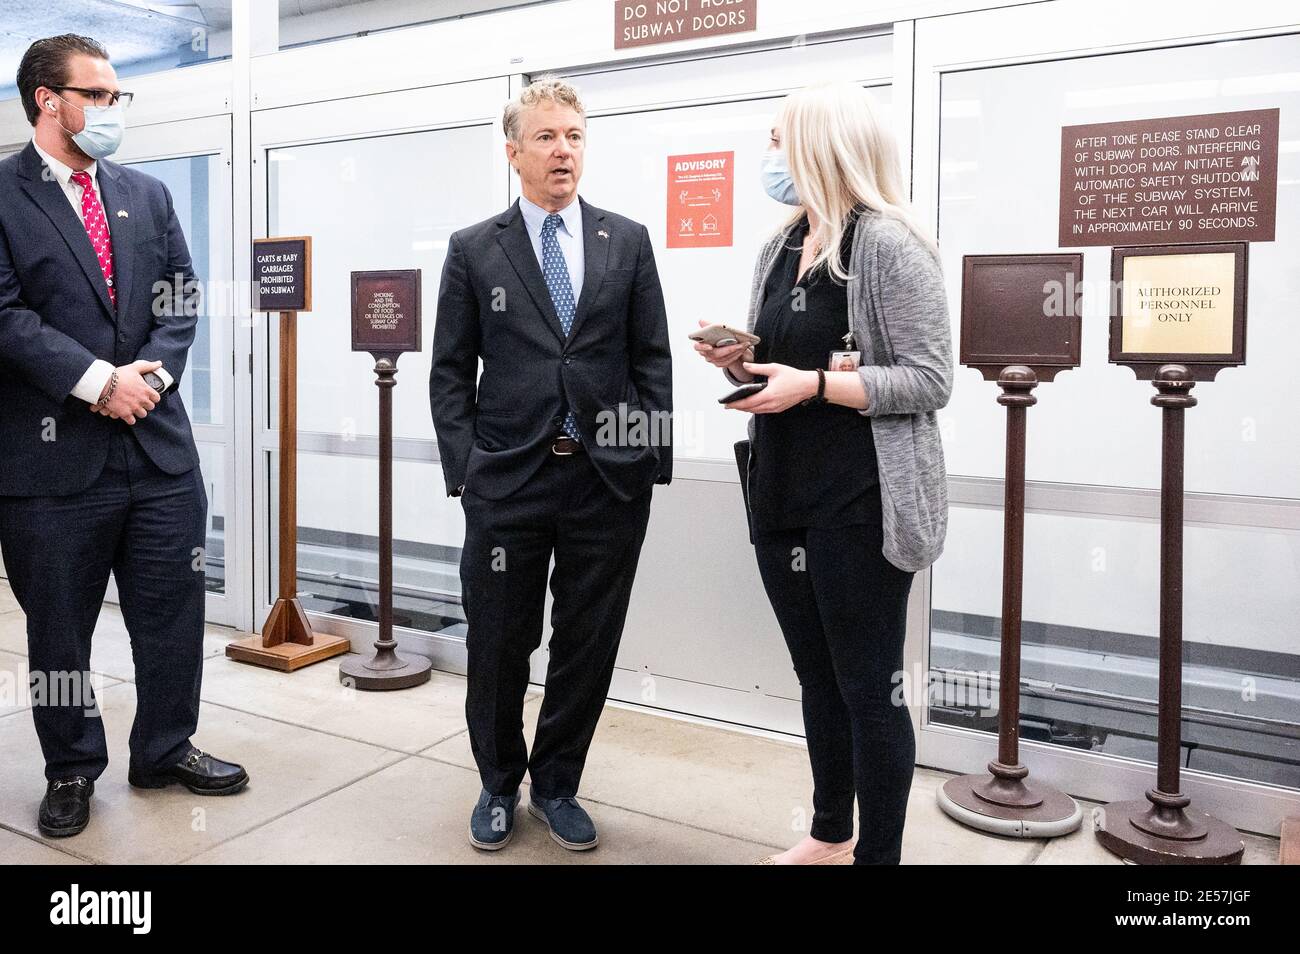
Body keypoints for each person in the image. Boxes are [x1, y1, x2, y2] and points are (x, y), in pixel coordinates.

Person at [695, 81, 952, 865]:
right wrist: (743, 359)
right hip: (782, 491)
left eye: (779, 140)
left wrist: (811, 385)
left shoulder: (889, 245)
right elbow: (787, 353)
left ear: (820, 146)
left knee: (869, 688)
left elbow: (930, 379)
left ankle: (879, 856)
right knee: (818, 678)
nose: (770, 156)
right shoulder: (780, 244)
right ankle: (830, 833)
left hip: (861, 502)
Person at [0, 35, 248, 839]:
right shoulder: (2, 195)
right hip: (50, 463)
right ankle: (71, 768)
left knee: (172, 613)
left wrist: (154, 377)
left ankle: (166, 747)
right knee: (60, 633)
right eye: (99, 95)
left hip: (159, 452)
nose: (112, 110)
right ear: (48, 99)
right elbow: (7, 317)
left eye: (116, 97)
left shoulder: (148, 195)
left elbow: (181, 297)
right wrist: (95, 381)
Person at [430, 76, 672, 853]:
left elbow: (652, 359)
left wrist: (647, 461)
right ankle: (498, 783)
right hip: (509, 481)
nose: (563, 149)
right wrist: (468, 471)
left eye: (573, 135)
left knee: (586, 642)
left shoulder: (625, 240)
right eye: (546, 137)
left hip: (605, 482)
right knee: (500, 639)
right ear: (514, 153)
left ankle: (557, 782)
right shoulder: (474, 249)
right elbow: (449, 372)